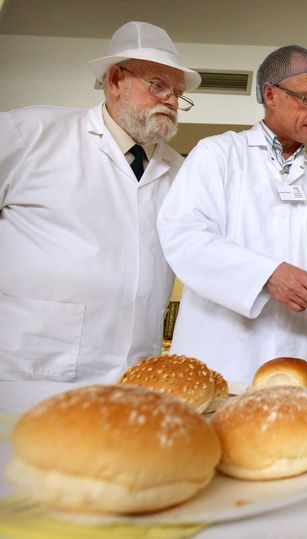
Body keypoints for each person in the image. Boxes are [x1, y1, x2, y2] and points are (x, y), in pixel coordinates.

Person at [158, 45, 307, 386]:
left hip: (298, 356)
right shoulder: (218, 155)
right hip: (221, 357)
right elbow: (185, 237)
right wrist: (267, 275)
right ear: (270, 95)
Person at [0, 21, 198, 382]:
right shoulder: (30, 134)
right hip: (26, 370)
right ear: (115, 81)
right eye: (158, 85)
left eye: (177, 92)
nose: (171, 99)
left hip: (134, 376)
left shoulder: (182, 173)